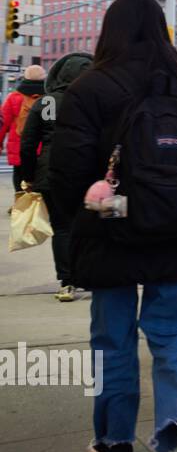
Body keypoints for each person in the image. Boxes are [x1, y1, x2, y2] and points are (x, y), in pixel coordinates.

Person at [48, 0, 177, 452]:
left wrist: (79, 225)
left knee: (113, 341)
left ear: (110, 31)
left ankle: (114, 443)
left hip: (111, 233)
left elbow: (67, 172)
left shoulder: (90, 87)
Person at [19, 51, 93, 300]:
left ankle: (67, 282)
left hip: (51, 173)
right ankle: (87, 275)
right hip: (87, 173)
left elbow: (28, 144)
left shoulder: (47, 102)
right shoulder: (92, 101)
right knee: (87, 227)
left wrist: (28, 176)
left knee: (61, 228)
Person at [1, 64, 47, 196]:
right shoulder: (48, 98)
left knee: (19, 174)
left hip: (19, 145)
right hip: (41, 146)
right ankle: (37, 205)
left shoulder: (13, 97)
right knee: (40, 176)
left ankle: (20, 204)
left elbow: (3, 123)